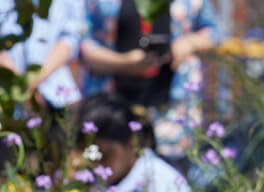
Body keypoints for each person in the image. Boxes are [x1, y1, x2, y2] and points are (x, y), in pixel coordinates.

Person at [80, 0, 220, 162]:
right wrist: (123, 62)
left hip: (171, 107)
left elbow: (215, 32)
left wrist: (189, 42)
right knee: (107, 169)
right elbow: (81, 42)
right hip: (111, 105)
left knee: (172, 174)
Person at [76, 94, 203, 192]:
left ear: (132, 143)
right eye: (91, 156)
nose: (97, 165)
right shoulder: (105, 178)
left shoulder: (157, 177)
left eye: (105, 155)